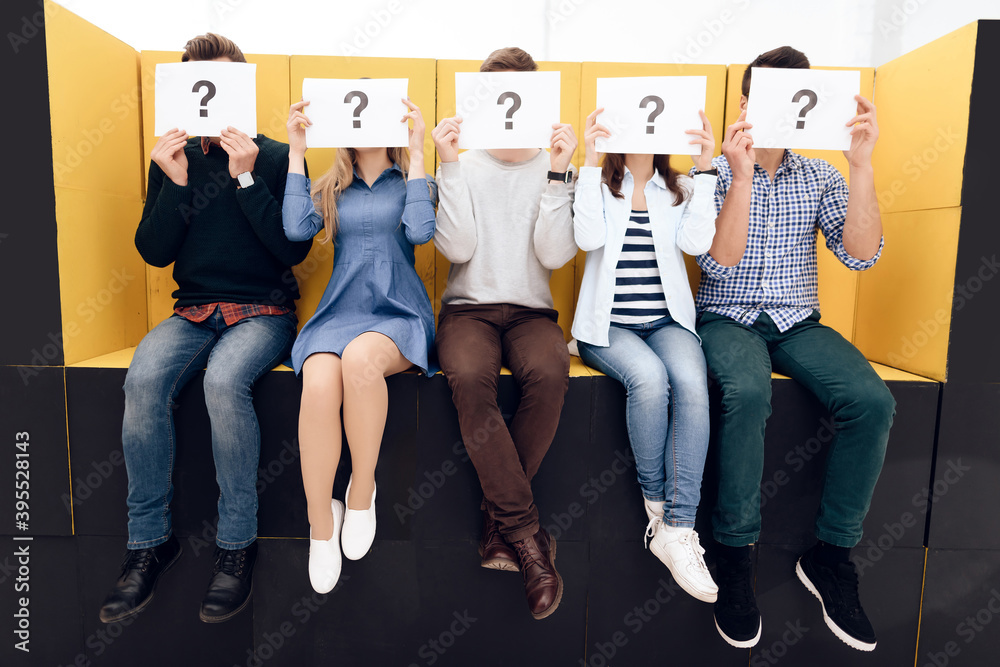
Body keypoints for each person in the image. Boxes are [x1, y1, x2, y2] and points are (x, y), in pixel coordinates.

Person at [99, 33, 312, 624]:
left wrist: (245, 179)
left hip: (264, 311)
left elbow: (292, 250)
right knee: (142, 383)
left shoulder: (272, 156)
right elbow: (154, 251)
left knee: (224, 384)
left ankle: (236, 545)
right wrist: (174, 182)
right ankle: (149, 544)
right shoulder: (173, 158)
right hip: (193, 308)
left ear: (241, 90)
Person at [697, 46, 895, 651]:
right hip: (726, 318)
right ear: (746, 102)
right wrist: (742, 172)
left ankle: (831, 555)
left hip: (798, 322)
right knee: (748, 391)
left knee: (873, 401)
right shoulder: (713, 171)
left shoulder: (820, 175)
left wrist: (860, 166)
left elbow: (861, 253)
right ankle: (734, 553)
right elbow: (717, 261)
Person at [431, 47, 578, 620]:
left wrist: (559, 175)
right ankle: (529, 538)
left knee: (549, 372)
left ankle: (502, 525)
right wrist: (446, 162)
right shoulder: (464, 164)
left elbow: (554, 253)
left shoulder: (553, 163)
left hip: (531, 312)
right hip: (467, 309)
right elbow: (458, 250)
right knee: (467, 375)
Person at [282, 95, 436, 594]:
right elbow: (293, 229)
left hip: (397, 312)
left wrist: (415, 152)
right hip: (339, 311)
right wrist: (297, 153)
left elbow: (419, 230)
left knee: (361, 360)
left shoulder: (414, 181)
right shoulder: (331, 186)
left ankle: (362, 488)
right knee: (320, 382)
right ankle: (320, 523)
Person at [572, 106, 719, 603]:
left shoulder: (679, 187)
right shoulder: (595, 181)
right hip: (606, 325)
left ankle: (679, 529)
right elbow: (587, 238)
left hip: (666, 321)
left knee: (693, 387)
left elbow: (698, 244)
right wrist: (591, 160)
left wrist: (705, 168)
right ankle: (659, 508)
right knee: (651, 381)